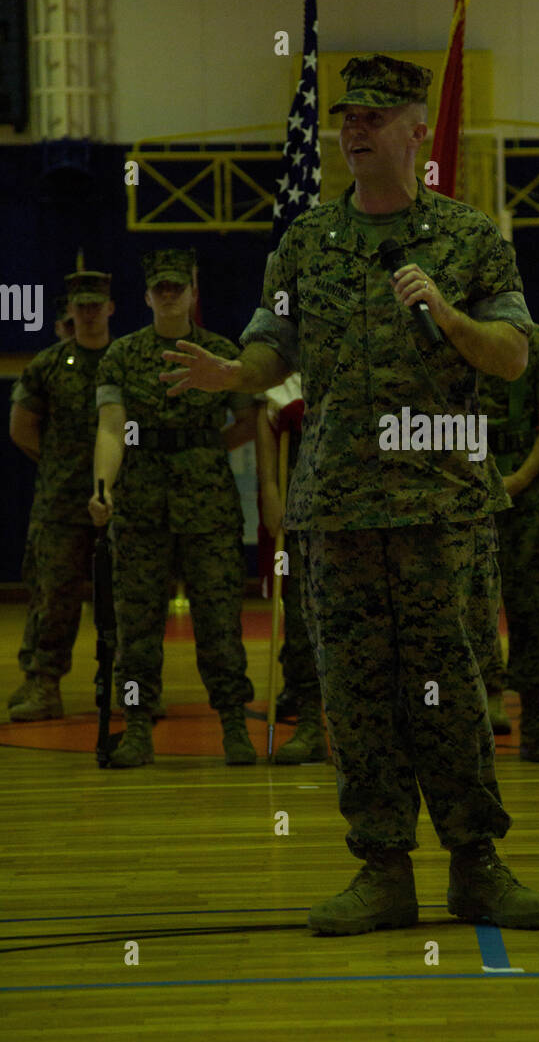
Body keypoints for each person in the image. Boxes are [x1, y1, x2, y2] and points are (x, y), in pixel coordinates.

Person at [160, 53, 539, 934]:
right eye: (351, 115)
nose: (357, 129)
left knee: (453, 687)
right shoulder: (307, 241)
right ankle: (382, 869)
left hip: (441, 508)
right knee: (356, 695)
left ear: (419, 130)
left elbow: (516, 356)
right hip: (337, 508)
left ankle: (477, 864)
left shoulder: (469, 240)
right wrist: (235, 371)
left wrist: (451, 316)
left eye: (378, 116)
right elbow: (275, 349)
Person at [88, 247, 258, 766]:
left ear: (192, 293)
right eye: (159, 288)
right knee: (136, 629)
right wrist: (102, 488)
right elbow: (112, 428)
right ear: (145, 296)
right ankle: (136, 728)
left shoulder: (221, 352)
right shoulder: (122, 356)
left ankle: (234, 725)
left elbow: (249, 421)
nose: (168, 295)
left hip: (209, 510)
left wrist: (199, 446)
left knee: (220, 624)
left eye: (176, 287)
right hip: (140, 509)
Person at [8, 272, 115, 720]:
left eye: (96, 304)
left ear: (110, 307)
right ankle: (44, 687)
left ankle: (127, 689)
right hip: (60, 504)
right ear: (69, 310)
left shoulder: (126, 359)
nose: (88, 312)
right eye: (80, 305)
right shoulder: (48, 365)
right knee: (54, 598)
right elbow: (21, 429)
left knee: (127, 601)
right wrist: (58, 467)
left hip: (121, 504)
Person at [475, 323, 539, 759]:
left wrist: (524, 478)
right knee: (471, 602)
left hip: (524, 487)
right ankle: (482, 702)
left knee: (531, 603)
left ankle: (532, 718)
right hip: (463, 482)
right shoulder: (447, 329)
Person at [255, 375, 327, 762]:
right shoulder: (297, 362)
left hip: (367, 505)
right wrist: (270, 490)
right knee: (302, 619)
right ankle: (311, 722)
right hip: (305, 508)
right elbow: (269, 417)